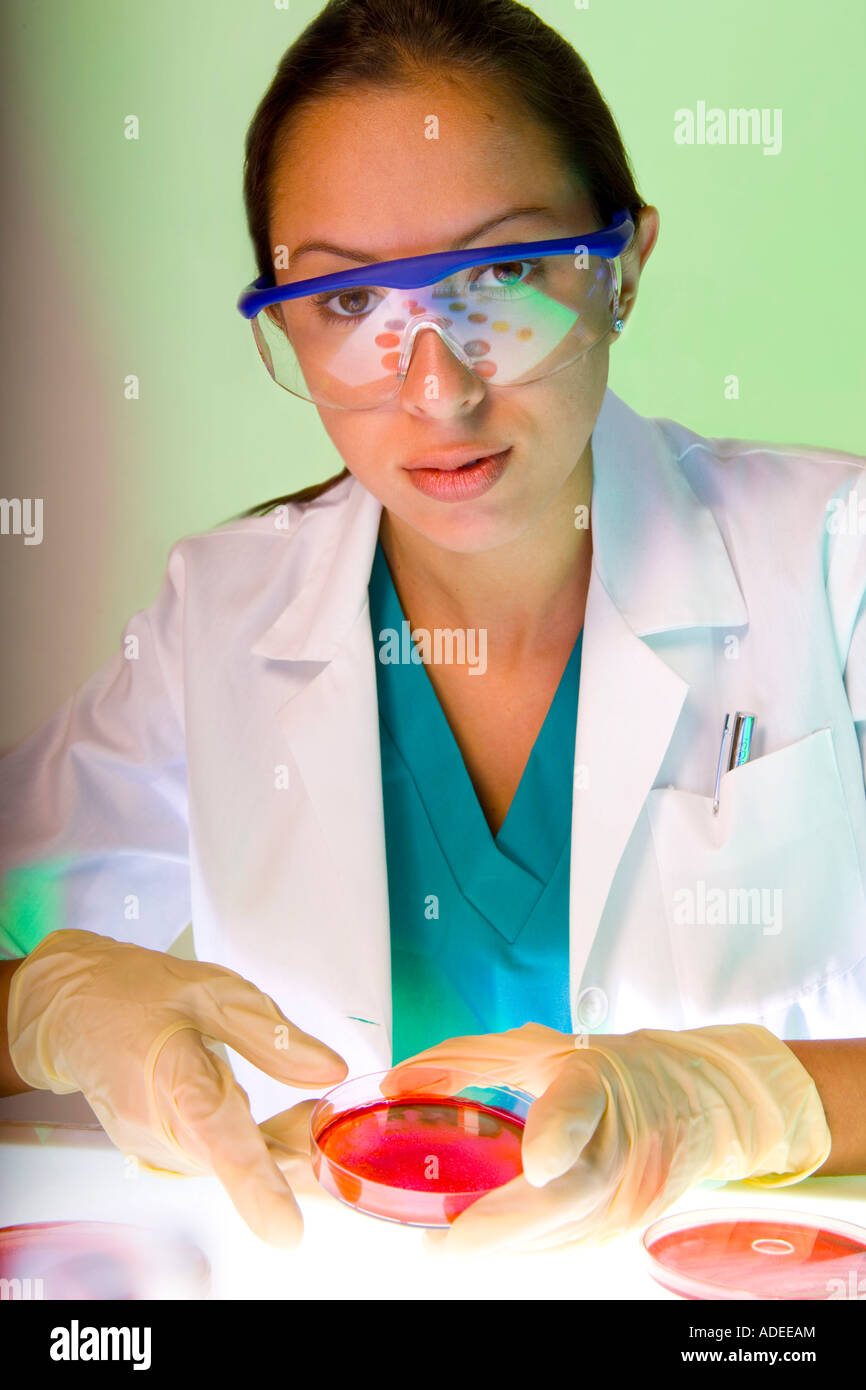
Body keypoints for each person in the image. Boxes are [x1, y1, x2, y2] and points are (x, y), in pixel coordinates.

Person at [1, 0, 864, 1258]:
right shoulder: (225, 613)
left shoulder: (832, 562)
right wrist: (42, 1011)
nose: (436, 387)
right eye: (348, 303)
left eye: (503, 276)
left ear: (622, 265)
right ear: (280, 320)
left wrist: (742, 1103)